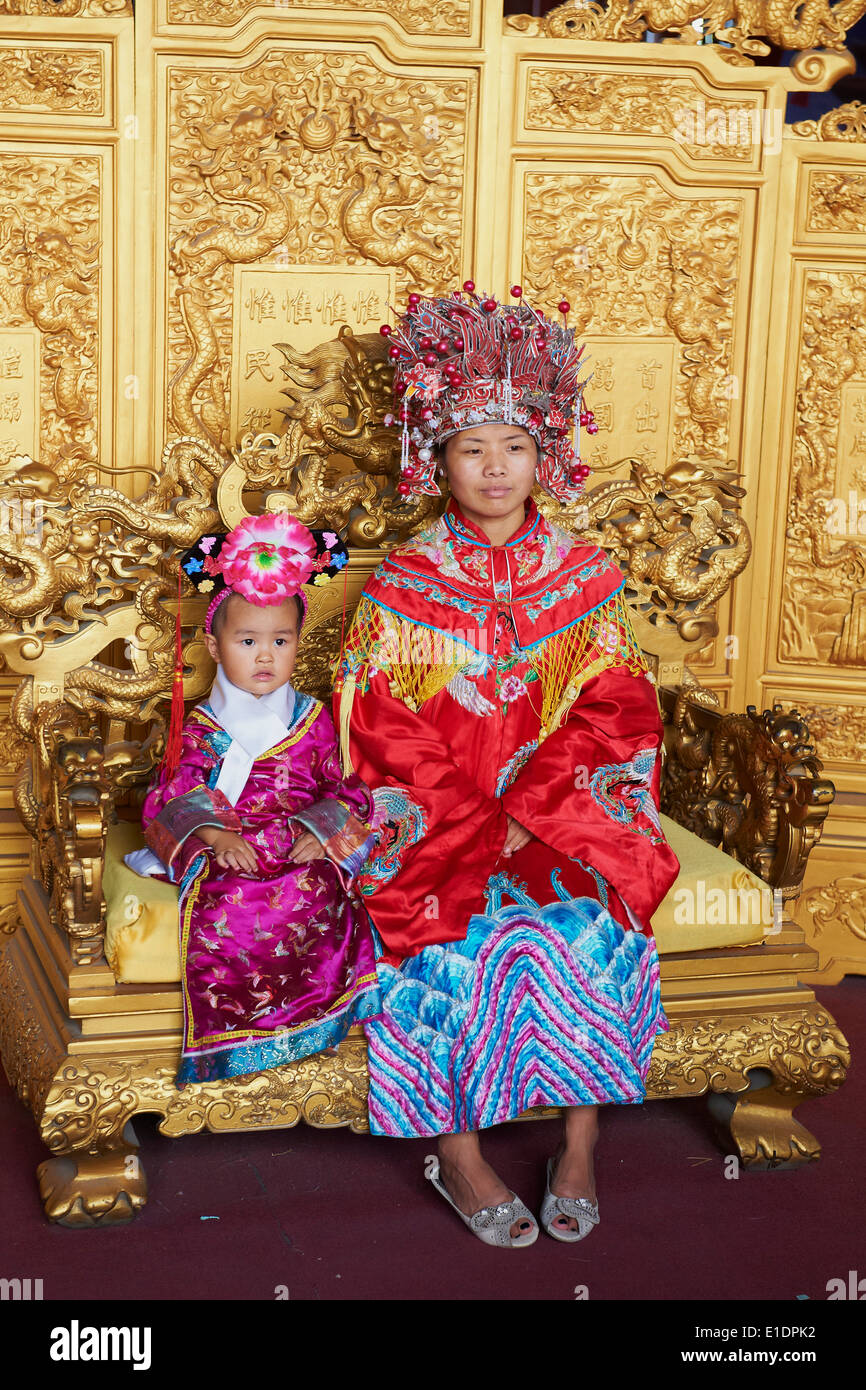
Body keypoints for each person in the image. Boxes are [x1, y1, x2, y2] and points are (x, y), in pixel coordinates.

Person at [333, 283, 680, 1247]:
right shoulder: (404, 585)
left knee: (596, 912)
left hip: (562, 809)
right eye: (472, 448)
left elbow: (617, 707)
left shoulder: (584, 577)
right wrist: (471, 821)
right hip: (441, 817)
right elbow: (380, 722)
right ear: (436, 460)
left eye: (515, 446)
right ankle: (460, 1151)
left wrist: (543, 810)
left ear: (545, 456)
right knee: (436, 930)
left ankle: (579, 1141)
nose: (495, 468)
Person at [134, 512, 382, 1088]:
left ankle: (314, 1026)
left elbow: (346, 788)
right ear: (214, 644)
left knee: (319, 894)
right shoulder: (200, 725)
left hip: (296, 844)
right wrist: (215, 836)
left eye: (280, 641)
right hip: (231, 845)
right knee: (230, 907)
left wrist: (321, 834)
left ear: (300, 642)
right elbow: (173, 792)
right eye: (247, 641)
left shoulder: (316, 719)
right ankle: (235, 1042)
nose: (265, 656)